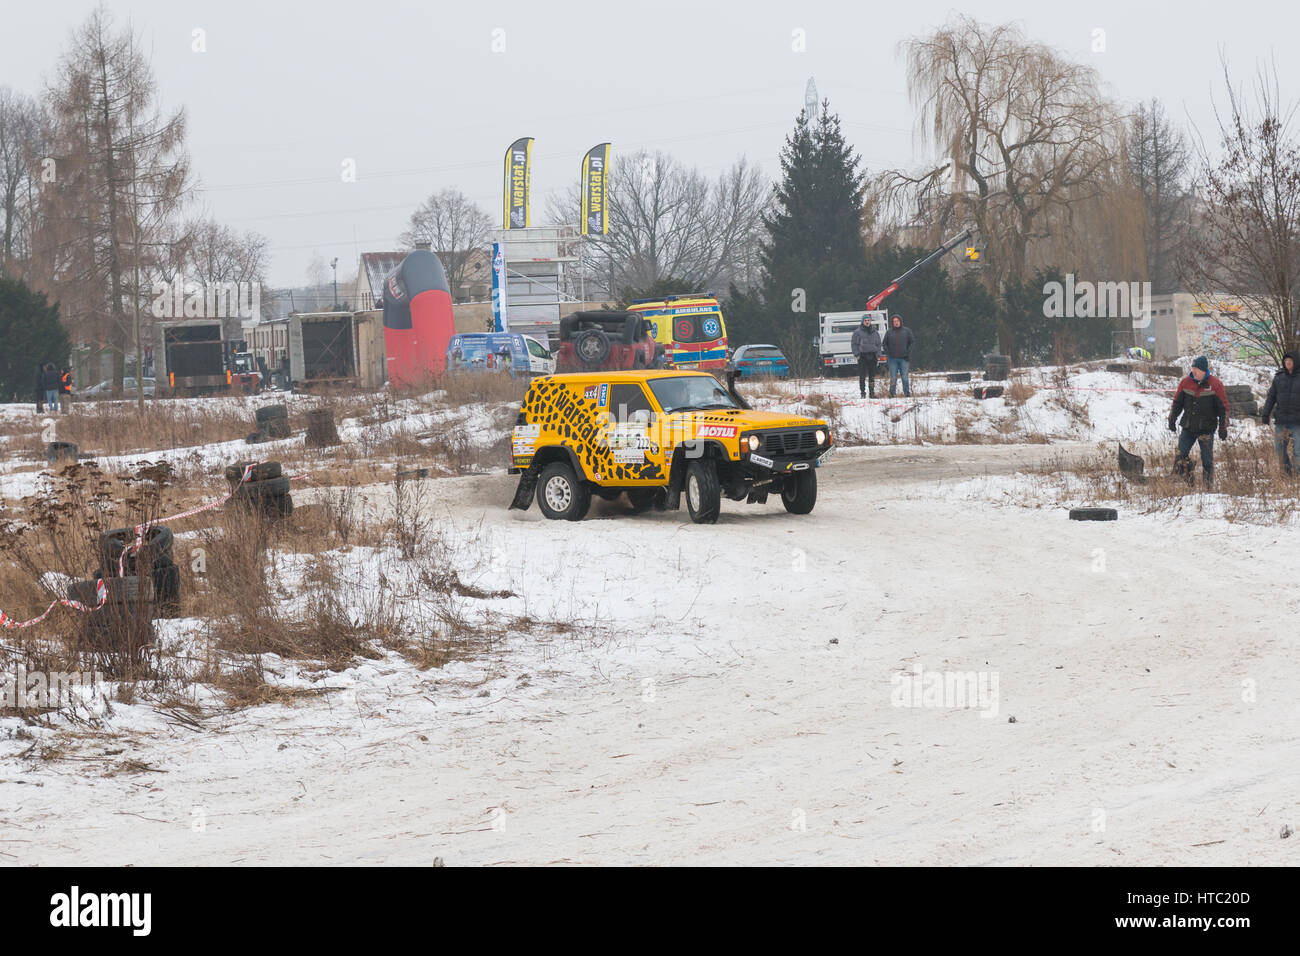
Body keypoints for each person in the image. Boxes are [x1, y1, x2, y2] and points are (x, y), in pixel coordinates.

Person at [1167, 355, 1229, 486]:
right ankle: (1188, 479)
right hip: (1188, 427)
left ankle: (1208, 487)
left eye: (1196, 369)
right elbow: (1177, 403)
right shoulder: (1185, 383)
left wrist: (1223, 427)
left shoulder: (1215, 384)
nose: (1193, 371)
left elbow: (1223, 408)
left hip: (1206, 429)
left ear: (1204, 370)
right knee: (1180, 455)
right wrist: (1172, 419)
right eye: (1192, 368)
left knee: (1207, 461)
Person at [1260, 351, 1300, 475]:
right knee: (1279, 449)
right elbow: (1271, 397)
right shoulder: (1279, 377)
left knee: (1298, 451)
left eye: (1290, 360)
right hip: (1281, 421)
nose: (1287, 362)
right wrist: (1265, 414)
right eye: (1286, 360)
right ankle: (1286, 473)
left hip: (1297, 422)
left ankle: (1298, 475)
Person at [883, 314, 915, 397]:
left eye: (897, 321)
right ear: (892, 323)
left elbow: (912, 342)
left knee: (904, 377)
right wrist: (888, 353)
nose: (896, 323)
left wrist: (908, 353)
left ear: (900, 321)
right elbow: (884, 343)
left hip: (904, 359)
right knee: (893, 377)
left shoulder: (907, 331)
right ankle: (892, 394)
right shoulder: (889, 332)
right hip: (892, 359)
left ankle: (907, 394)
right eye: (894, 321)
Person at [850, 316, 882, 398]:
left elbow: (878, 344)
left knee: (872, 375)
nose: (867, 322)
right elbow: (854, 344)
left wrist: (878, 354)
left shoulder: (875, 332)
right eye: (865, 320)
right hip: (862, 356)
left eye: (868, 320)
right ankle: (863, 393)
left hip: (873, 355)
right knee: (862, 375)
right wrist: (857, 354)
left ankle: (872, 393)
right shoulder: (857, 332)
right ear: (862, 322)